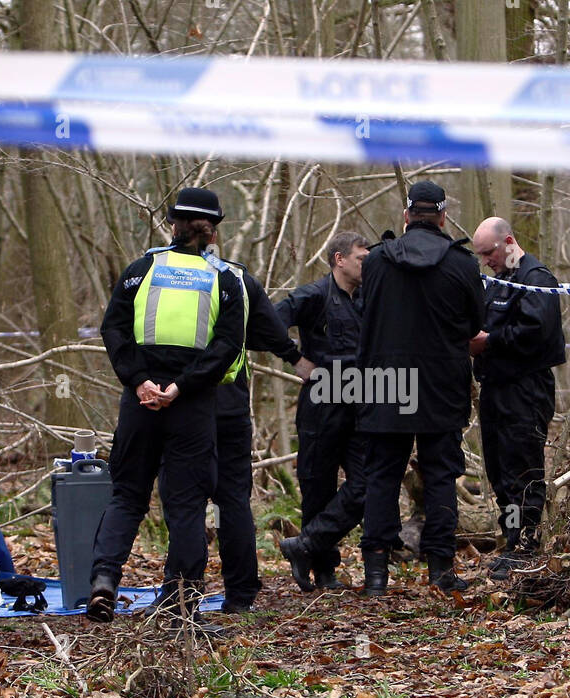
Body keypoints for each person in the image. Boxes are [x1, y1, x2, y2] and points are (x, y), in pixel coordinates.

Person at [86, 187, 244, 626]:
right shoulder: (225, 280)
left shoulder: (141, 270)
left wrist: (139, 381)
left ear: (172, 226)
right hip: (191, 406)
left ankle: (103, 580)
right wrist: (180, 387)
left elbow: (112, 329)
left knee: (128, 494)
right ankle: (181, 600)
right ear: (211, 232)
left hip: (140, 404)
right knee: (187, 505)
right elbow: (228, 346)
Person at [356, 181, 483, 596]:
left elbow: (364, 314)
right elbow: (474, 324)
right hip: (440, 384)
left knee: (381, 475)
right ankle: (440, 570)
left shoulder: (375, 262)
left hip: (384, 382)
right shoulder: (463, 265)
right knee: (441, 475)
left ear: (407, 215)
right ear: (443, 217)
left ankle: (376, 574)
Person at [208, 248, 313, 613]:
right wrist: (295, 357)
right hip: (229, 403)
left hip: (176, 405)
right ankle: (241, 591)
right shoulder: (236, 279)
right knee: (232, 498)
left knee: (185, 500)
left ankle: (180, 592)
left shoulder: (154, 272)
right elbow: (271, 328)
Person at [469, 217, 566, 580]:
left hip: (525, 389)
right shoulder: (497, 282)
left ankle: (527, 542)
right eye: (480, 256)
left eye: (489, 253)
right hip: (494, 388)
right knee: (498, 471)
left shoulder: (537, 278)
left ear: (508, 241)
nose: (486, 261)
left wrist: (489, 341)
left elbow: (536, 331)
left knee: (522, 469)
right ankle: (511, 540)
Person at [274, 231, 370, 592]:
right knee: (317, 486)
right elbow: (267, 322)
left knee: (367, 483)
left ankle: (306, 545)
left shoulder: (369, 298)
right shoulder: (312, 295)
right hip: (321, 401)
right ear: (339, 259)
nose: (366, 265)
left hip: (363, 399)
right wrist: (295, 359)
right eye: (361, 258)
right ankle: (323, 570)